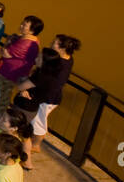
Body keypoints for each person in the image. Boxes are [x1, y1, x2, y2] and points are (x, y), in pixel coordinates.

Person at [12, 35, 80, 169]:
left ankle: (34, 146)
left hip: (46, 99)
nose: (51, 43)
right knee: (36, 122)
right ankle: (33, 145)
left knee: (38, 123)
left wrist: (31, 89)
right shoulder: (65, 60)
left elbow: (44, 84)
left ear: (62, 48)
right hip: (45, 97)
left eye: (55, 43)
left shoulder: (51, 70)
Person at [0, 16, 44, 111]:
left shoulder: (27, 43)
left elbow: (5, 53)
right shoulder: (26, 38)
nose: (21, 25)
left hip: (10, 75)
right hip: (8, 73)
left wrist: (8, 43)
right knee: (0, 96)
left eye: (24, 25)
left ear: (32, 30)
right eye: (22, 23)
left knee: (1, 98)